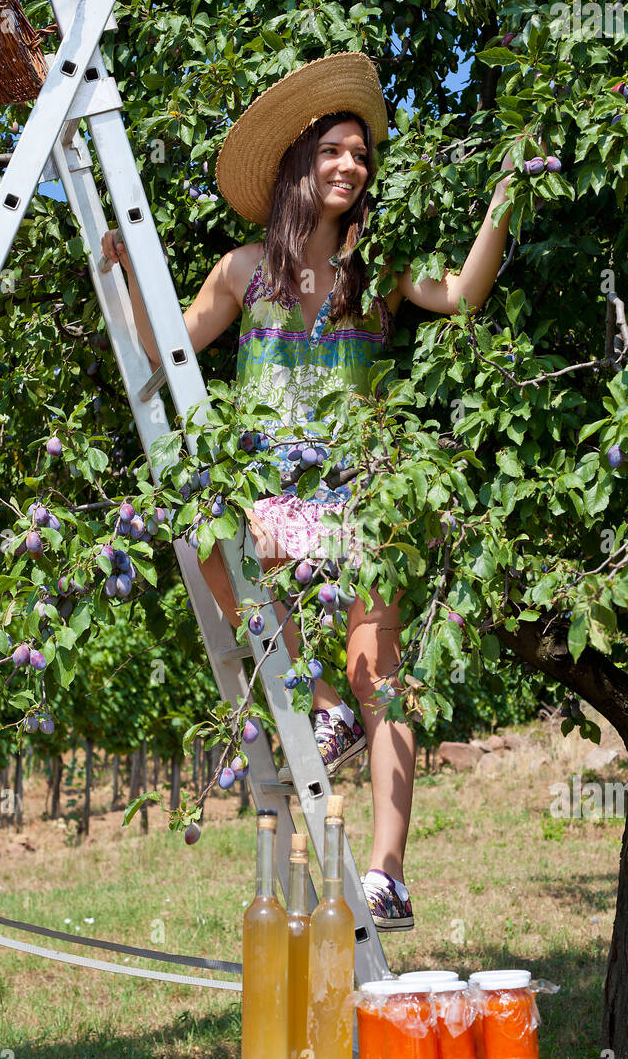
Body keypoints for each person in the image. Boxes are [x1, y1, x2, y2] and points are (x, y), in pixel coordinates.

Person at [102, 51, 513, 931]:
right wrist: (126, 274)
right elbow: (159, 342)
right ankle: (321, 708)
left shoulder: (379, 270)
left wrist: (508, 191)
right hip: (271, 498)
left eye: (360, 155)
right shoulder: (246, 269)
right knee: (208, 526)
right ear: (299, 165)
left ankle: (388, 873)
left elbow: (466, 293)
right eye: (332, 149)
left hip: (359, 495)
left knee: (384, 677)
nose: (349, 166)